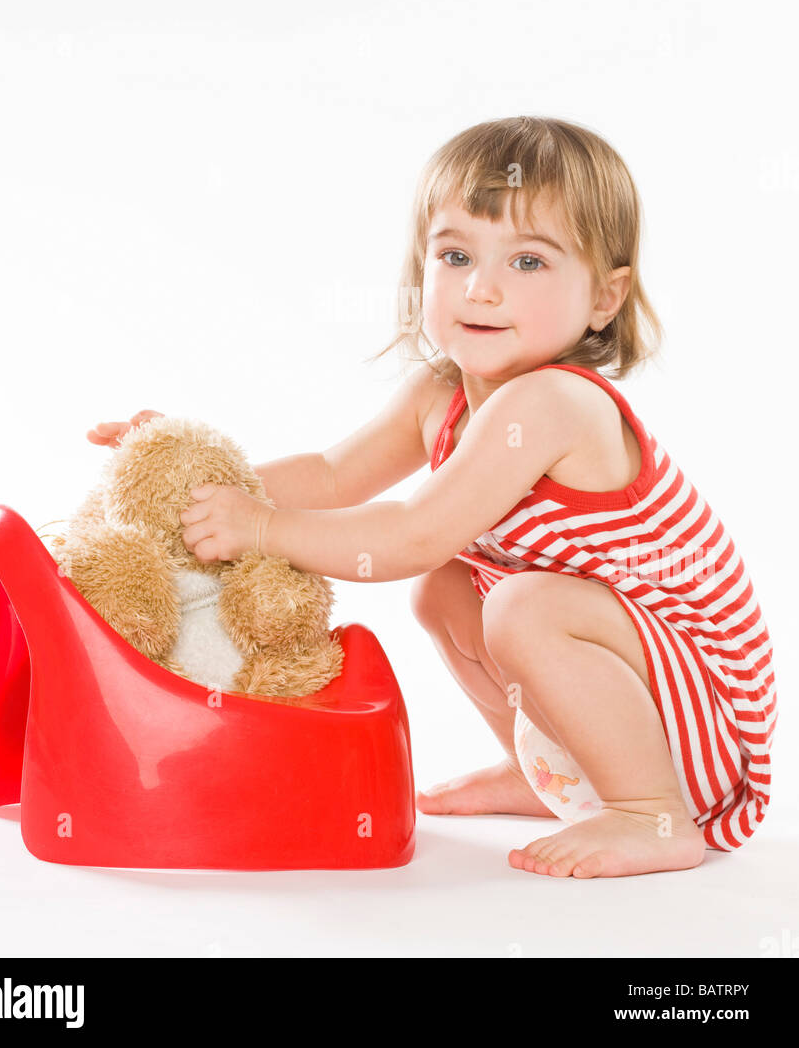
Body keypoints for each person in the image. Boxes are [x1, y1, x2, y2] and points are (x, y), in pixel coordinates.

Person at [89, 115, 777, 879]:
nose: (482, 287)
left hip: (704, 719)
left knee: (521, 605)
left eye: (527, 261)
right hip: (632, 688)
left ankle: (651, 813)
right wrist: (195, 476)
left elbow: (411, 530)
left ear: (604, 299)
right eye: (456, 255)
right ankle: (549, 769)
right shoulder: (441, 393)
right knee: (447, 590)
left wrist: (259, 528)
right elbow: (330, 474)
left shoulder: (555, 403)